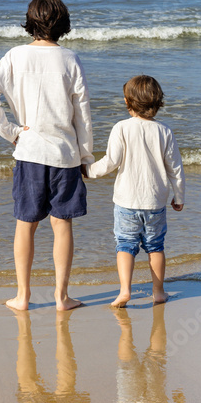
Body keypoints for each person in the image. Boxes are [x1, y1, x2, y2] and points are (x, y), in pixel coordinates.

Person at [0, 0, 93, 311]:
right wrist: (86, 155)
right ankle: (61, 296)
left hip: (29, 152)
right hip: (65, 155)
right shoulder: (70, 59)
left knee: (25, 224)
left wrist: (11, 132)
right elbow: (82, 114)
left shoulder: (15, 55)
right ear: (63, 24)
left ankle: (23, 296)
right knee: (62, 225)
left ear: (30, 23)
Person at [84, 75, 184, 307]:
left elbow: (111, 162)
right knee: (155, 247)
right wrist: (179, 196)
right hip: (155, 202)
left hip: (127, 201)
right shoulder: (164, 131)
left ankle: (125, 291)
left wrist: (88, 171)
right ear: (158, 103)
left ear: (128, 103)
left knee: (125, 245)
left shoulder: (121, 128)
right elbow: (175, 168)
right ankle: (158, 292)